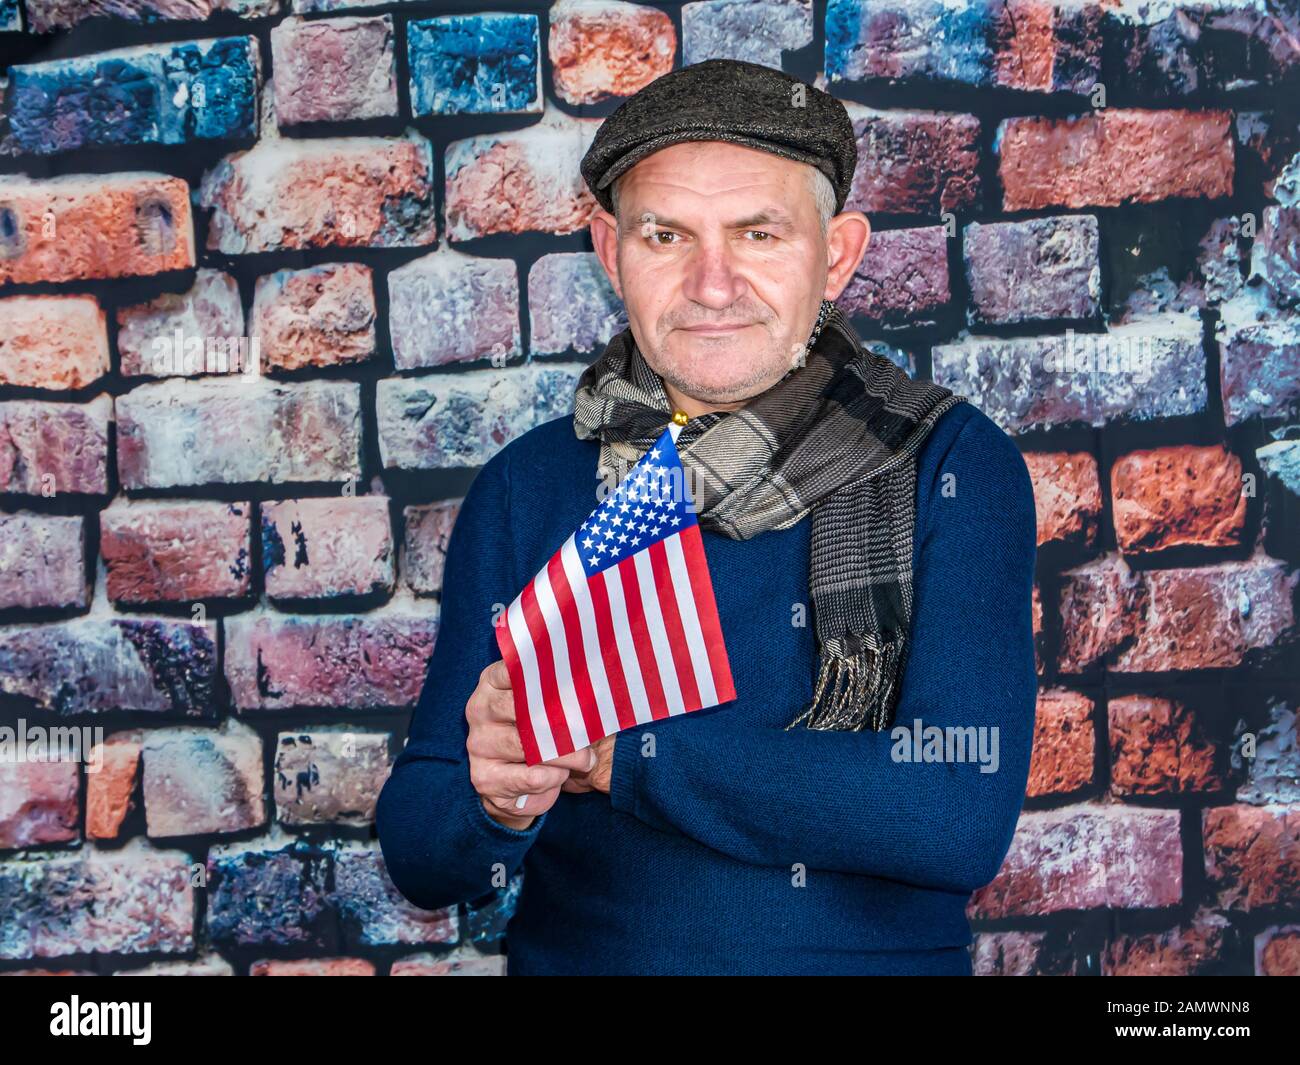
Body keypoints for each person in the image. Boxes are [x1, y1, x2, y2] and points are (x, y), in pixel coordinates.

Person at [377, 58, 1038, 975]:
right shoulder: (530, 485)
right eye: (666, 236)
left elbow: (954, 812)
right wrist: (495, 802)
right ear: (611, 252)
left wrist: (624, 758)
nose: (713, 284)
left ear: (837, 254)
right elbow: (422, 854)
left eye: (759, 233)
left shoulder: (947, 465)